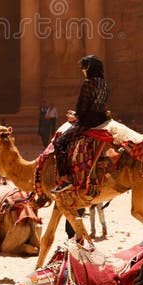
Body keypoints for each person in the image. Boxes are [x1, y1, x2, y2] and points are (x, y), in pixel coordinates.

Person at [52, 55, 109, 194]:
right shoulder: (104, 83)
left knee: (59, 142)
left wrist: (74, 116)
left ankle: (65, 179)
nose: (83, 71)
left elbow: (83, 108)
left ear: (88, 68)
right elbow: (98, 105)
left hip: (88, 122)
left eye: (83, 68)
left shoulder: (88, 83)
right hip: (102, 120)